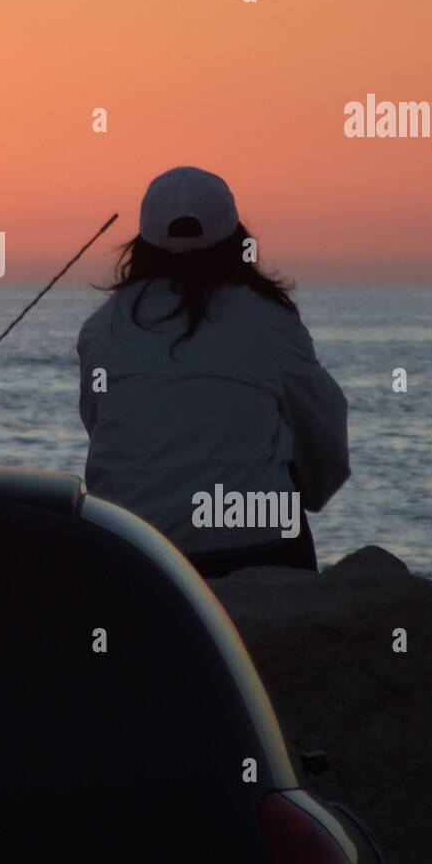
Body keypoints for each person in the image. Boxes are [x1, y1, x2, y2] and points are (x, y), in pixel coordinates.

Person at [76, 166, 349, 577]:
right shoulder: (270, 321)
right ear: (236, 241)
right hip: (254, 549)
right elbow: (324, 443)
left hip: (132, 550)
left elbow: (102, 429)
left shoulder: (101, 328)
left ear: (143, 243)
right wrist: (305, 488)